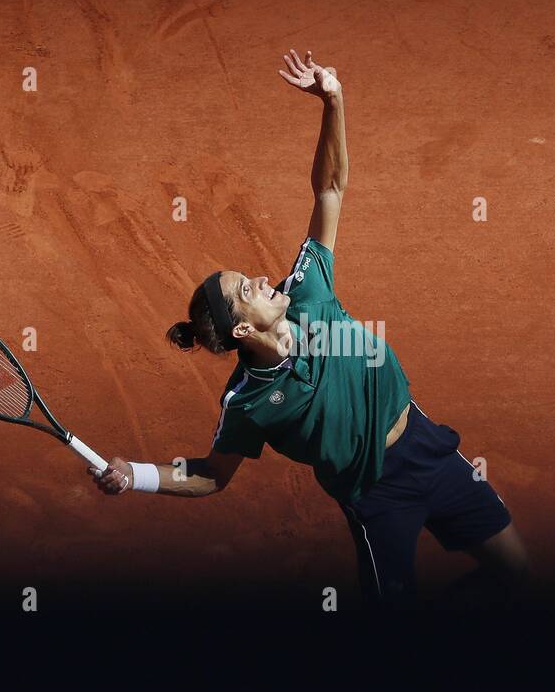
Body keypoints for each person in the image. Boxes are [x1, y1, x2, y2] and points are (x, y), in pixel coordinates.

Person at [93, 50, 529, 608]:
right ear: (244, 330)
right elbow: (210, 475)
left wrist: (333, 99)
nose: (257, 277)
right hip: (375, 495)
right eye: (245, 290)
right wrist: (137, 475)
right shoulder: (249, 402)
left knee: (516, 572)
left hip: (427, 449)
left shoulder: (307, 290)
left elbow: (330, 189)